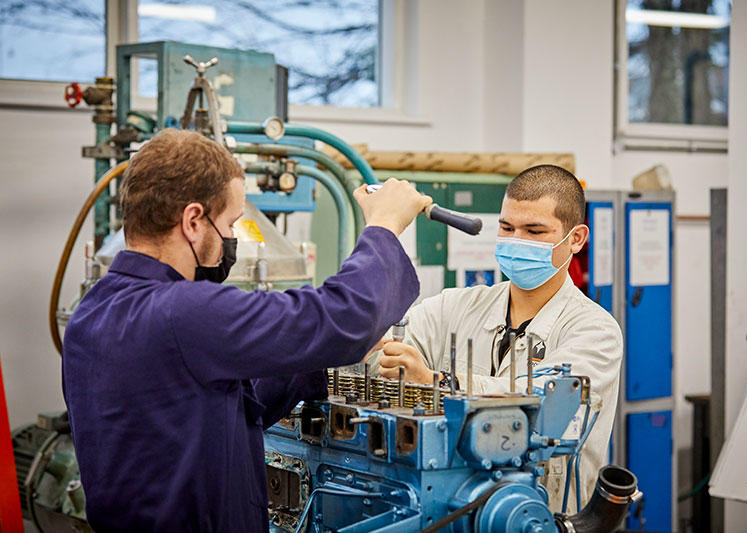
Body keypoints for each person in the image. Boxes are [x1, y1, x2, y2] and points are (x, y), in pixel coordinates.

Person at [61, 129, 432, 531]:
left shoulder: (93, 313)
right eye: (232, 222)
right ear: (192, 221)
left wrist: (319, 363)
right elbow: (343, 315)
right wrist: (384, 227)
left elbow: (226, 408)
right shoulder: (181, 312)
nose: (234, 238)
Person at [370, 165, 622, 513]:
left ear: (576, 239)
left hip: (541, 513)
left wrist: (438, 383)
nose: (516, 241)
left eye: (534, 231)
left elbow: (541, 408)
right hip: (453, 509)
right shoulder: (455, 306)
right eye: (507, 228)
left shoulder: (596, 331)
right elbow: (374, 353)